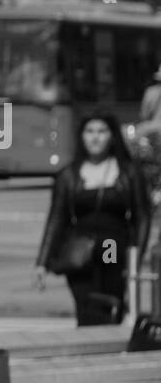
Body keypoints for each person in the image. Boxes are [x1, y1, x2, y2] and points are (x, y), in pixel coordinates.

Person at [36, 111, 153, 326]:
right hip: (80, 247)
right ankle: (87, 344)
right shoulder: (68, 175)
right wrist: (42, 261)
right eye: (89, 131)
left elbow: (142, 215)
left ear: (112, 136)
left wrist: (137, 253)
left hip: (111, 245)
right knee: (85, 303)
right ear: (81, 136)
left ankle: (108, 342)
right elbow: (56, 218)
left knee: (108, 299)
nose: (95, 137)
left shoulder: (128, 171)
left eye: (101, 131)